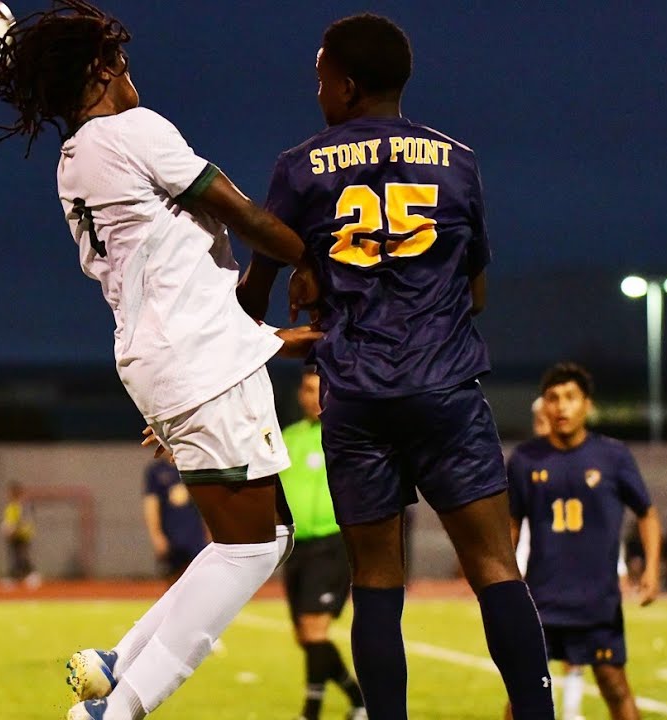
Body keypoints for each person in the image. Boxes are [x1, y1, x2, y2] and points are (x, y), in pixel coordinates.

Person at [0, 4, 320, 718]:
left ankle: (116, 663)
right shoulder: (134, 131)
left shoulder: (74, 163)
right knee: (254, 550)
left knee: (259, 534)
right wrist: (318, 260)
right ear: (100, 70)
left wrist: (270, 339)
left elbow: (176, 274)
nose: (132, 77)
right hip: (191, 360)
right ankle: (119, 707)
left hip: (166, 357)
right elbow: (240, 214)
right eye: (122, 65)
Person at [239, 14, 554, 719]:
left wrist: (310, 269)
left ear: (347, 86)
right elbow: (474, 292)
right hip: (444, 387)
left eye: (321, 76)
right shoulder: (460, 160)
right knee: (496, 569)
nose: (316, 88)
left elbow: (253, 296)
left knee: (377, 579)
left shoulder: (298, 167)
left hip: (355, 393)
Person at [506, 363, 661, 720]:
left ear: (587, 405)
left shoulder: (613, 456)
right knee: (523, 696)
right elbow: (511, 525)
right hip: (540, 602)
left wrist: (652, 569)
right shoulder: (525, 460)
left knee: (614, 685)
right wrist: (503, 584)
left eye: (570, 398)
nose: (561, 407)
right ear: (543, 406)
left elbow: (647, 513)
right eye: (553, 399)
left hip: (597, 601)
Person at [280, 370, 366, 720]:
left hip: (331, 545)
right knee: (306, 637)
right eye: (307, 389)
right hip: (295, 547)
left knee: (315, 631)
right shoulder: (287, 437)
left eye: (319, 390)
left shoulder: (346, 435)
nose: (312, 396)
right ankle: (359, 700)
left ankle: (311, 711)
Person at [141, 458, 208, 583]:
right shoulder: (156, 471)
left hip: (196, 534)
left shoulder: (196, 466)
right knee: (173, 578)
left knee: (201, 577)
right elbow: (151, 505)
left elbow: (209, 503)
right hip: (172, 534)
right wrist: (156, 535)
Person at [0, 482, 40, 589]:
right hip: (14, 535)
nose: (9, 495)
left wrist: (14, 529)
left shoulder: (22, 506)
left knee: (22, 556)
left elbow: (23, 521)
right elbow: (9, 520)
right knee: (15, 556)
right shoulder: (11, 506)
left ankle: (30, 575)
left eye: (11, 492)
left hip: (22, 535)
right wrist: (6, 528)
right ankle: (16, 576)